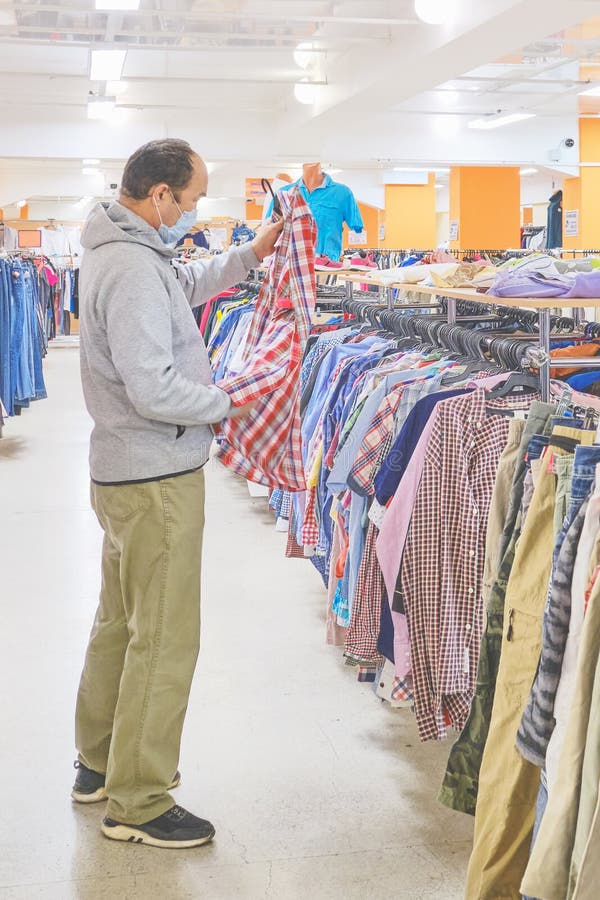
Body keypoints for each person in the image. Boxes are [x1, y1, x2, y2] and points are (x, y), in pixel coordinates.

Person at [72, 138, 283, 849]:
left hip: (124, 472)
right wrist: (229, 401)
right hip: (155, 477)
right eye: (191, 200)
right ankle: (138, 800)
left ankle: (99, 763)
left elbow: (182, 284)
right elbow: (154, 388)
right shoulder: (133, 266)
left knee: (119, 623)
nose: (193, 212)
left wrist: (249, 253)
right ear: (160, 195)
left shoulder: (123, 250)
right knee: (163, 638)